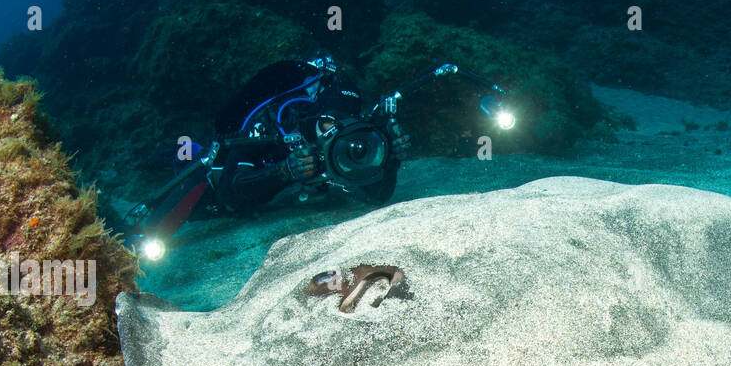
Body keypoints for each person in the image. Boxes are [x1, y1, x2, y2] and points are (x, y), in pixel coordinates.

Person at [124, 55, 513, 259]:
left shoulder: (354, 136)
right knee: (193, 168)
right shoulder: (274, 131)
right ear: (310, 120)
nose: (337, 135)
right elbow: (230, 193)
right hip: (234, 172)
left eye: (344, 125)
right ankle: (163, 155)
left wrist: (387, 157)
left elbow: (377, 197)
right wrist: (283, 172)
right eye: (327, 125)